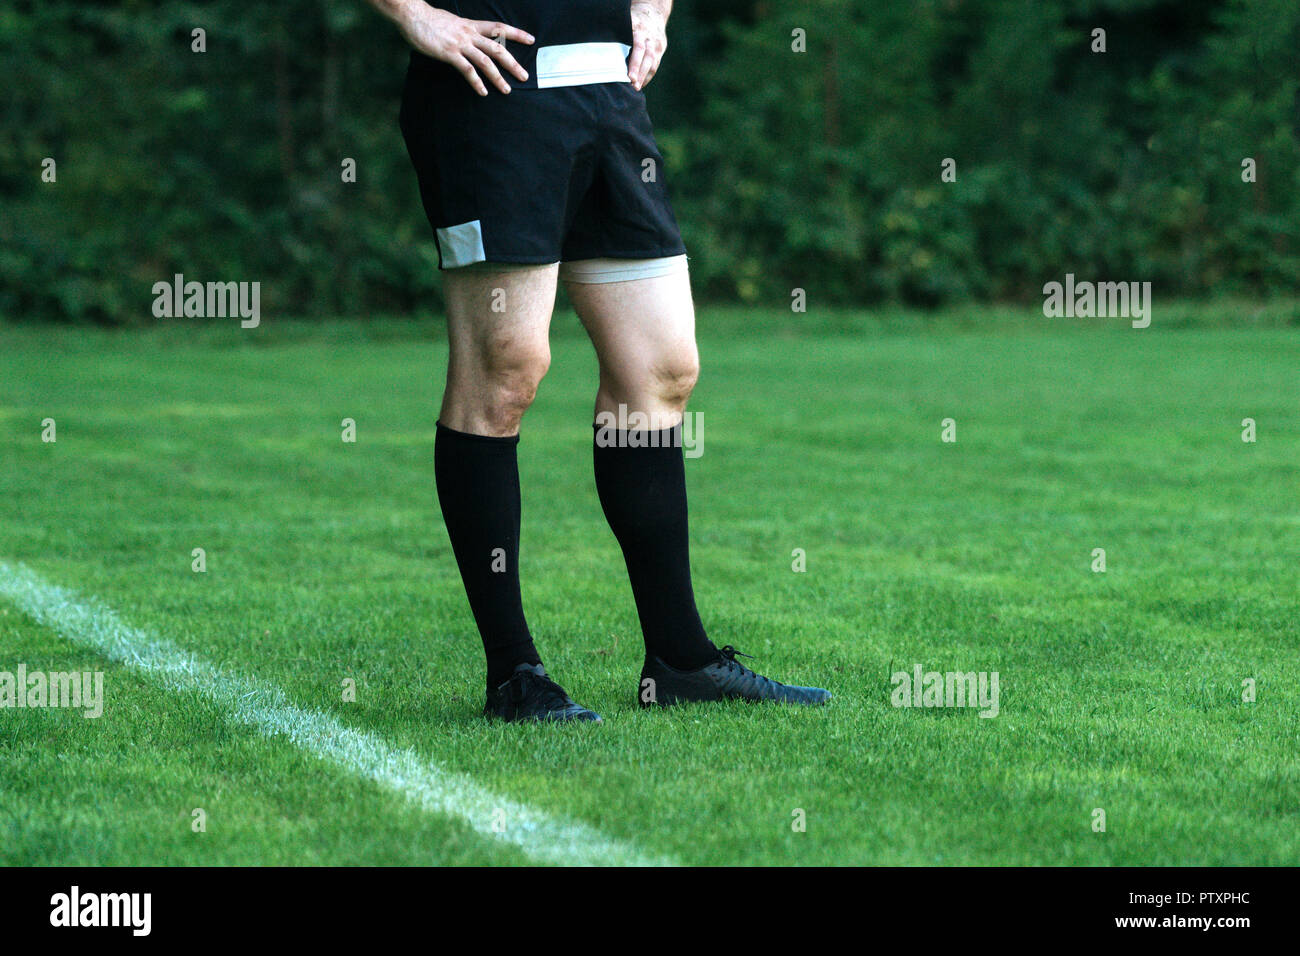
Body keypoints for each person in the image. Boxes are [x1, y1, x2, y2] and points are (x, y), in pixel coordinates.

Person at [365, 0, 831, 720]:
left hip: (607, 96)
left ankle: (681, 660)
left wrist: (652, 10)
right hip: (491, 92)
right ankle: (515, 675)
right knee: (507, 370)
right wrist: (414, 14)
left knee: (663, 369)